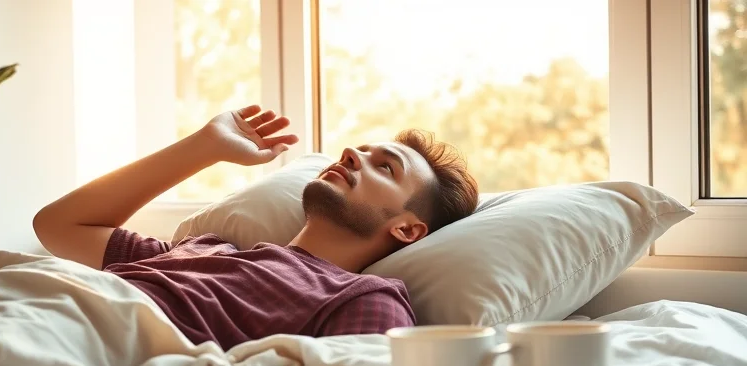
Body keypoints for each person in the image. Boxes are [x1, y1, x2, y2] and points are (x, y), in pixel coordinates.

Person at [34, 105, 479, 350]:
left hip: (74, 337)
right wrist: (206, 146)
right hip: (29, 305)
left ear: (407, 229)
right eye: (359, 149)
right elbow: (57, 225)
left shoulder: (360, 301)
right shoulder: (208, 250)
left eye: (384, 167)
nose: (349, 153)